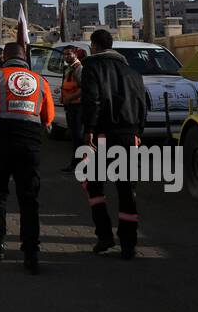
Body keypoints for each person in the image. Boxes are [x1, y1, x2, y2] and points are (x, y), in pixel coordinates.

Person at [0, 41, 55, 274]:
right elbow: (48, 117)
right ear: (25, 57)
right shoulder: (39, 80)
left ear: (4, 56)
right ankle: (31, 251)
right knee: (29, 198)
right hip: (30, 144)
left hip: (1, 142)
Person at [79, 28, 147, 259]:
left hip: (102, 135)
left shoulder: (92, 67)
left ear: (95, 46)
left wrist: (88, 129)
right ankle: (129, 244)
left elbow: (92, 100)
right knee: (126, 189)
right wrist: (138, 132)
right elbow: (142, 104)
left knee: (94, 186)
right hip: (128, 136)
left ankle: (105, 237)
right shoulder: (132, 72)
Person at [59, 46, 86, 173]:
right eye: (64, 54)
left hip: (77, 107)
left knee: (78, 137)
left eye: (69, 54)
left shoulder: (78, 68)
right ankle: (77, 163)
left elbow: (84, 88)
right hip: (70, 106)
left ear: (75, 54)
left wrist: (69, 97)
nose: (66, 57)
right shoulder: (69, 68)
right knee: (75, 136)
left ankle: (78, 164)